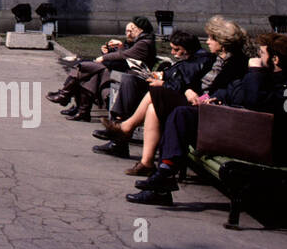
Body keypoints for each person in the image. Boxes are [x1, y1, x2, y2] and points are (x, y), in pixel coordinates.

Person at [127, 32, 287, 206]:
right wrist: (217, 99)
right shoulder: (274, 73)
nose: (258, 58)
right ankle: (163, 175)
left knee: (182, 116)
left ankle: (163, 177)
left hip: (263, 141)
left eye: (262, 54)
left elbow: (270, 110)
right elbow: (235, 88)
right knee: (182, 114)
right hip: (245, 126)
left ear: (276, 59)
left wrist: (255, 71)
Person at [95, 17, 249, 171]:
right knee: (152, 108)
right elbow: (201, 85)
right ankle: (146, 162)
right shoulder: (218, 60)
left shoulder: (233, 63)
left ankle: (125, 129)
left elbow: (221, 92)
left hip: (208, 109)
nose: (207, 42)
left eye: (210, 38)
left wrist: (194, 94)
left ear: (221, 42)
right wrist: (190, 91)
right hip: (197, 100)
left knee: (157, 92)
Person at [46, 16, 156, 121]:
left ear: (140, 30)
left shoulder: (144, 43)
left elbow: (124, 55)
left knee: (85, 66)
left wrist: (103, 57)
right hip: (122, 70)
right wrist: (111, 50)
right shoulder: (140, 41)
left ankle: (67, 96)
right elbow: (124, 55)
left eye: (132, 30)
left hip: (130, 75)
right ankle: (79, 107)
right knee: (90, 71)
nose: (129, 33)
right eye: (128, 30)